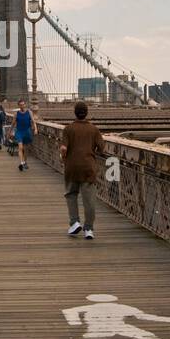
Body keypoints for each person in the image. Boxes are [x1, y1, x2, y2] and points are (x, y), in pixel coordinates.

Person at [60, 100, 109, 239]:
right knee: (89, 200)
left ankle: (74, 222)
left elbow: (64, 148)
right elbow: (101, 149)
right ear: (86, 113)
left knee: (71, 194)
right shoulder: (94, 129)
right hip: (88, 168)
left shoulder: (68, 129)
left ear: (75, 113)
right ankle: (89, 229)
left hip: (72, 167)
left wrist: (63, 157)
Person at [14, 98, 36, 171]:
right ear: (18, 105)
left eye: (23, 105)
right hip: (19, 132)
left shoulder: (29, 112)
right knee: (20, 148)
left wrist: (36, 129)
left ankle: (25, 161)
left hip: (27, 132)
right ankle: (22, 162)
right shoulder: (16, 113)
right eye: (20, 105)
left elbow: (33, 121)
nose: (22, 106)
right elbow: (13, 124)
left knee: (26, 149)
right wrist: (9, 132)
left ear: (25, 105)